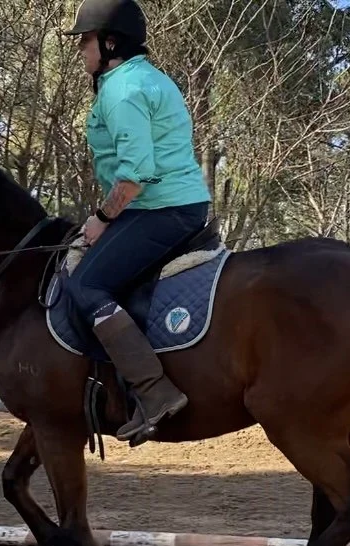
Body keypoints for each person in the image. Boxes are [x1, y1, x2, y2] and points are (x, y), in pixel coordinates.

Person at [61, 0, 212, 446]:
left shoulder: (123, 90)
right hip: (174, 204)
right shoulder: (146, 78)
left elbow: (135, 174)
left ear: (110, 43)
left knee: (86, 285)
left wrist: (102, 217)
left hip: (159, 208)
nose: (81, 51)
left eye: (86, 41)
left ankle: (155, 391)